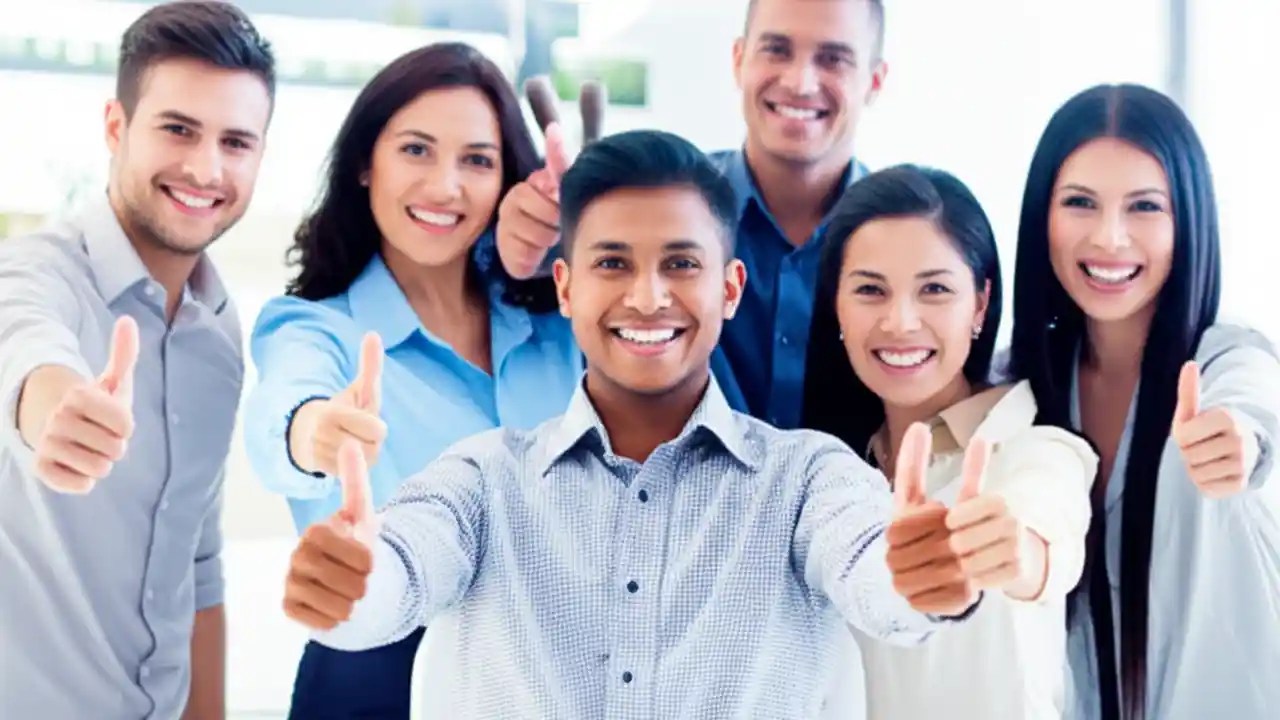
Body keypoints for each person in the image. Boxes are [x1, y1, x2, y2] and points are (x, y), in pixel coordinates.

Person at [278, 130, 983, 719]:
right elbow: (399, 570)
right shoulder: (482, 478)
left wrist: (913, 578)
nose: (647, 298)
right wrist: (355, 581)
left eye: (681, 264)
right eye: (612, 263)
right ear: (566, 287)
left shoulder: (807, 479)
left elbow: (871, 568)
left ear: (729, 289)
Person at [242, 43, 582, 719]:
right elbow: (281, 416)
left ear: (510, 182)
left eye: (477, 161)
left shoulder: (558, 327)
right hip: (378, 677)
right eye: (417, 150)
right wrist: (316, 430)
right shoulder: (317, 328)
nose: (445, 186)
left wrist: (591, 233)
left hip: (551, 676)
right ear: (367, 163)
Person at [0, 2, 274, 718]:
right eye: (178, 129)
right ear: (116, 128)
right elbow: (23, 346)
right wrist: (56, 410)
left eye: (237, 141)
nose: (207, 168)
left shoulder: (219, 331)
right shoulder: (34, 273)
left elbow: (199, 568)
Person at [1007, 83, 1280, 720]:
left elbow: (1256, 409)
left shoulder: (1227, 361)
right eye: (1079, 202)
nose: (1110, 237)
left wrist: (1239, 441)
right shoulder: (1020, 390)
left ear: (1188, 221)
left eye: (1144, 207)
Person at [494, 0, 889, 429]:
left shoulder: (908, 240)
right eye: (776, 49)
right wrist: (526, 238)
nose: (799, 81)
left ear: (874, 80)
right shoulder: (661, 209)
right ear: (739, 60)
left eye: (833, 59)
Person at [803, 165, 1097, 718]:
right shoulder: (825, 470)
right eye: (870, 290)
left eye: (935, 289)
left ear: (981, 304)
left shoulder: (1033, 450)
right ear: (836, 305)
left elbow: (1045, 537)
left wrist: (1008, 550)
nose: (900, 321)